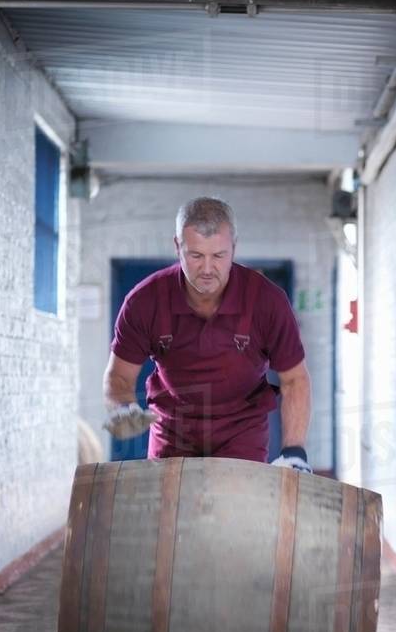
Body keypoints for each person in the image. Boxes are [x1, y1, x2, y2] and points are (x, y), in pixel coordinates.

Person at [102, 196, 312, 473]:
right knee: (169, 502)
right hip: (173, 432)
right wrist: (122, 407)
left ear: (234, 247)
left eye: (219, 256)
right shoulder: (144, 301)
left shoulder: (267, 301)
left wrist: (294, 452)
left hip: (241, 433)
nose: (208, 269)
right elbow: (119, 376)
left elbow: (294, 379)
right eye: (196, 255)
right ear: (177, 246)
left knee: (237, 501)